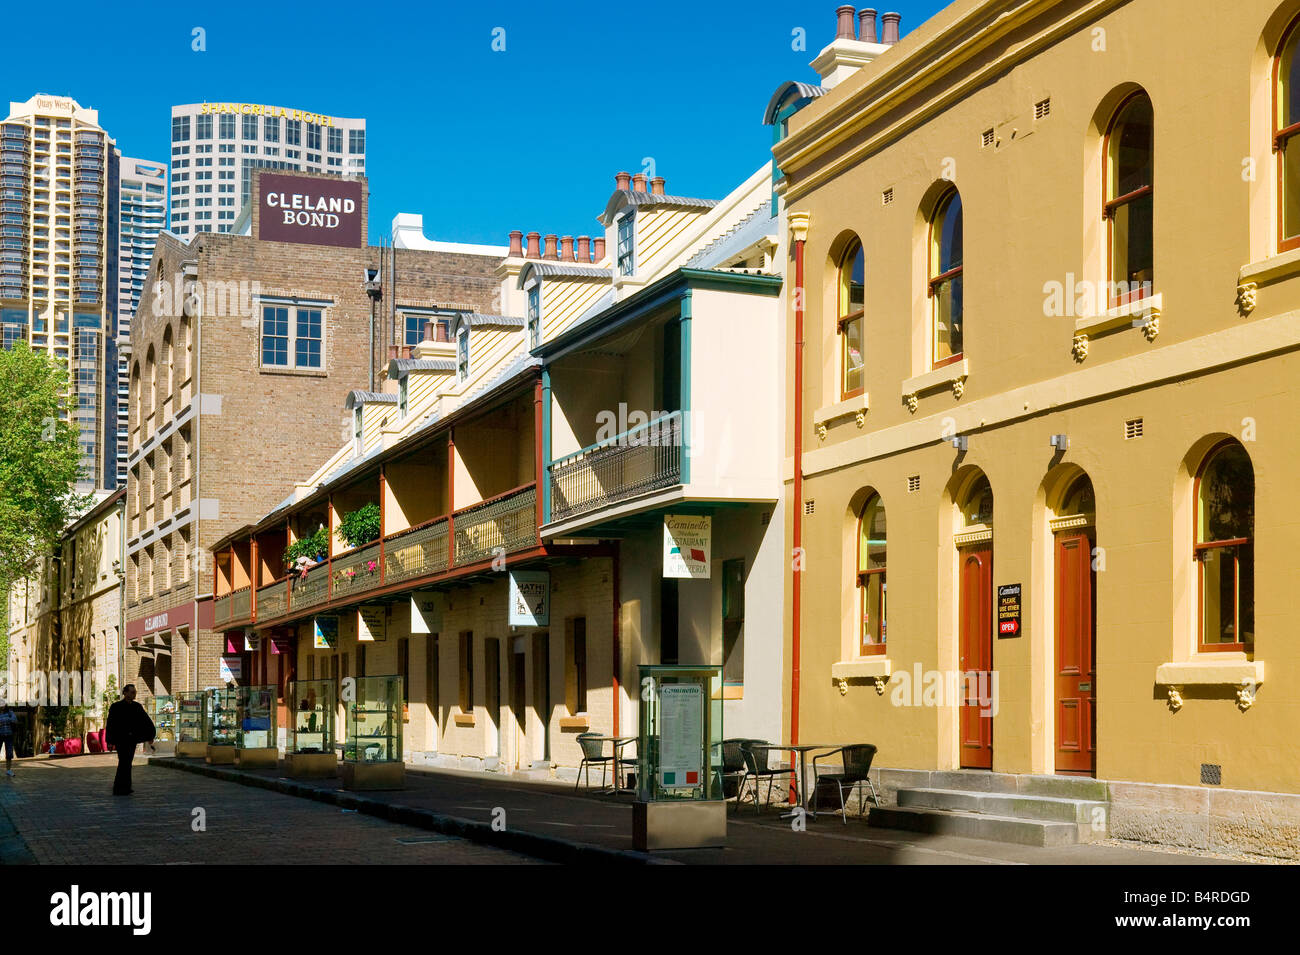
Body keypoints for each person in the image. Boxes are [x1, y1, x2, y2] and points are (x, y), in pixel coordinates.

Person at [104, 684, 156, 796]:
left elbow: (145, 721)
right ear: (125, 693)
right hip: (120, 740)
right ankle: (118, 788)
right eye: (132, 692)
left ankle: (126, 786)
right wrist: (109, 741)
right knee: (123, 762)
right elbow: (111, 724)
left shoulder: (137, 707)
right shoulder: (116, 707)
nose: (134, 694)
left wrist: (150, 736)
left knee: (128, 763)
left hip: (131, 739)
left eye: (135, 692)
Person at [0, 704, 17, 777]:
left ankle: (8, 770)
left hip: (9, 735)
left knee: (9, 754)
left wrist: (4, 720)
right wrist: (8, 719)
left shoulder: (10, 712)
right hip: (0, 735)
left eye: (3, 705)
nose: (2, 706)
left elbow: (15, 720)